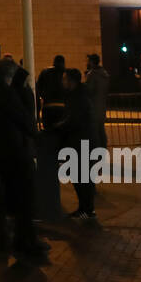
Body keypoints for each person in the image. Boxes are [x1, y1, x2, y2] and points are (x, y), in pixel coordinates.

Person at [0, 59, 49, 260]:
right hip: (15, 153)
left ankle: (3, 238)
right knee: (25, 198)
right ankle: (25, 242)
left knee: (2, 198)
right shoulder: (6, 94)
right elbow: (25, 120)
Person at [53, 67, 97, 220]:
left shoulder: (79, 97)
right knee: (78, 176)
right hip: (77, 141)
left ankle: (87, 209)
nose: (62, 81)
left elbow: (74, 120)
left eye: (65, 79)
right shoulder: (75, 95)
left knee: (82, 177)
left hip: (81, 142)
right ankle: (84, 208)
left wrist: (59, 126)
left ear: (71, 81)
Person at [84, 53, 110, 150]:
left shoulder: (92, 74)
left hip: (93, 106)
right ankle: (103, 147)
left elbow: (88, 90)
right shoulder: (104, 74)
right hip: (102, 105)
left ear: (91, 62)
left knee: (94, 130)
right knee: (100, 129)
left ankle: (97, 150)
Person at [35, 54, 66, 126]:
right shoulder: (66, 73)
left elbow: (38, 87)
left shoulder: (45, 72)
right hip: (63, 107)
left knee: (48, 131)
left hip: (48, 106)